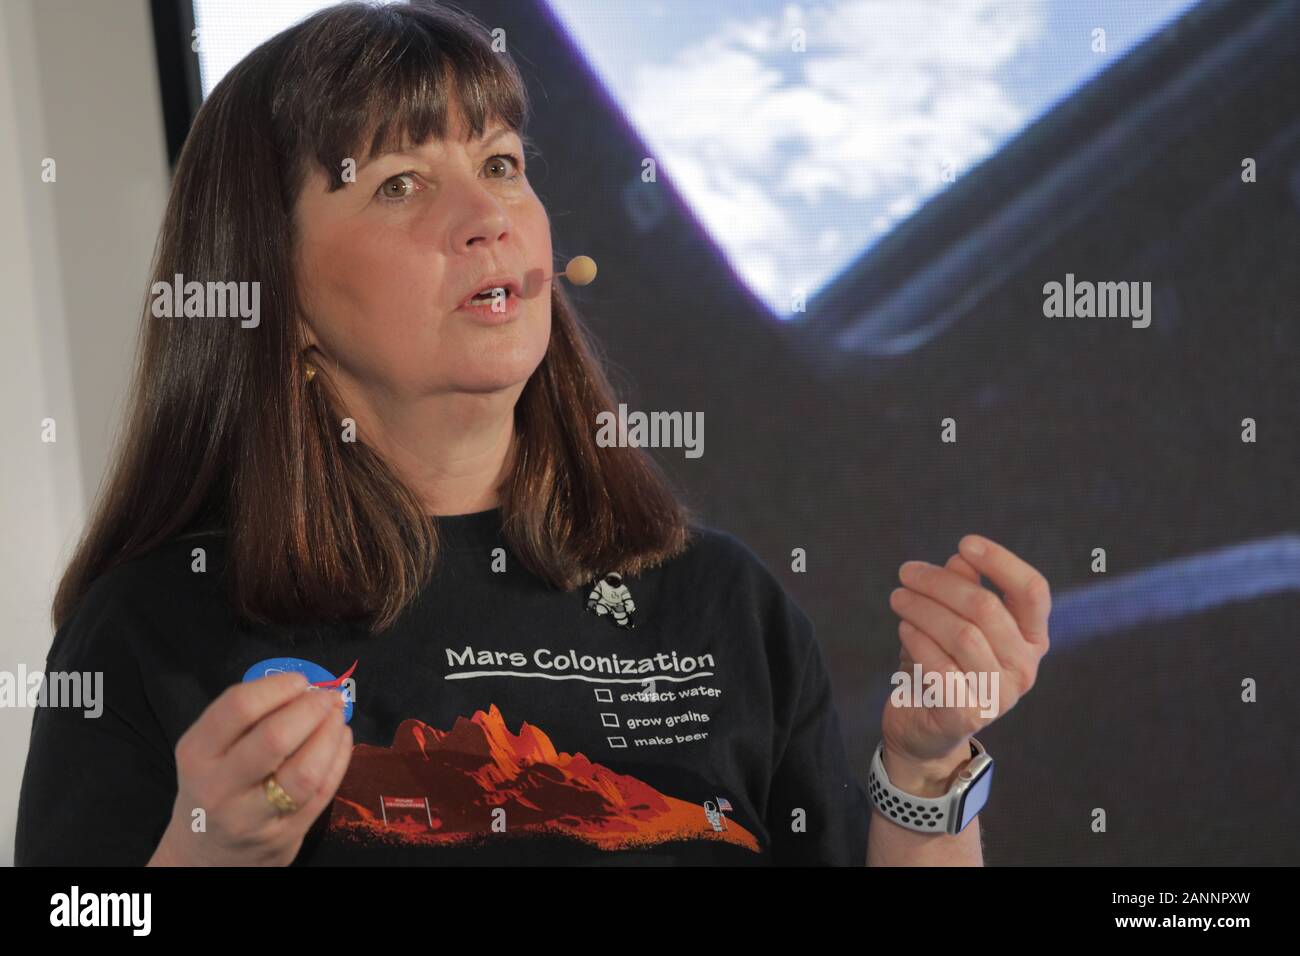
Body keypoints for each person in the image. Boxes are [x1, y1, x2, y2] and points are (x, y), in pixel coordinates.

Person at [14, 0, 1050, 867]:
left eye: (502, 163)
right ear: (277, 297)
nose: (487, 215)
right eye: (400, 183)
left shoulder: (722, 599)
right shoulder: (156, 630)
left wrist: (921, 766)